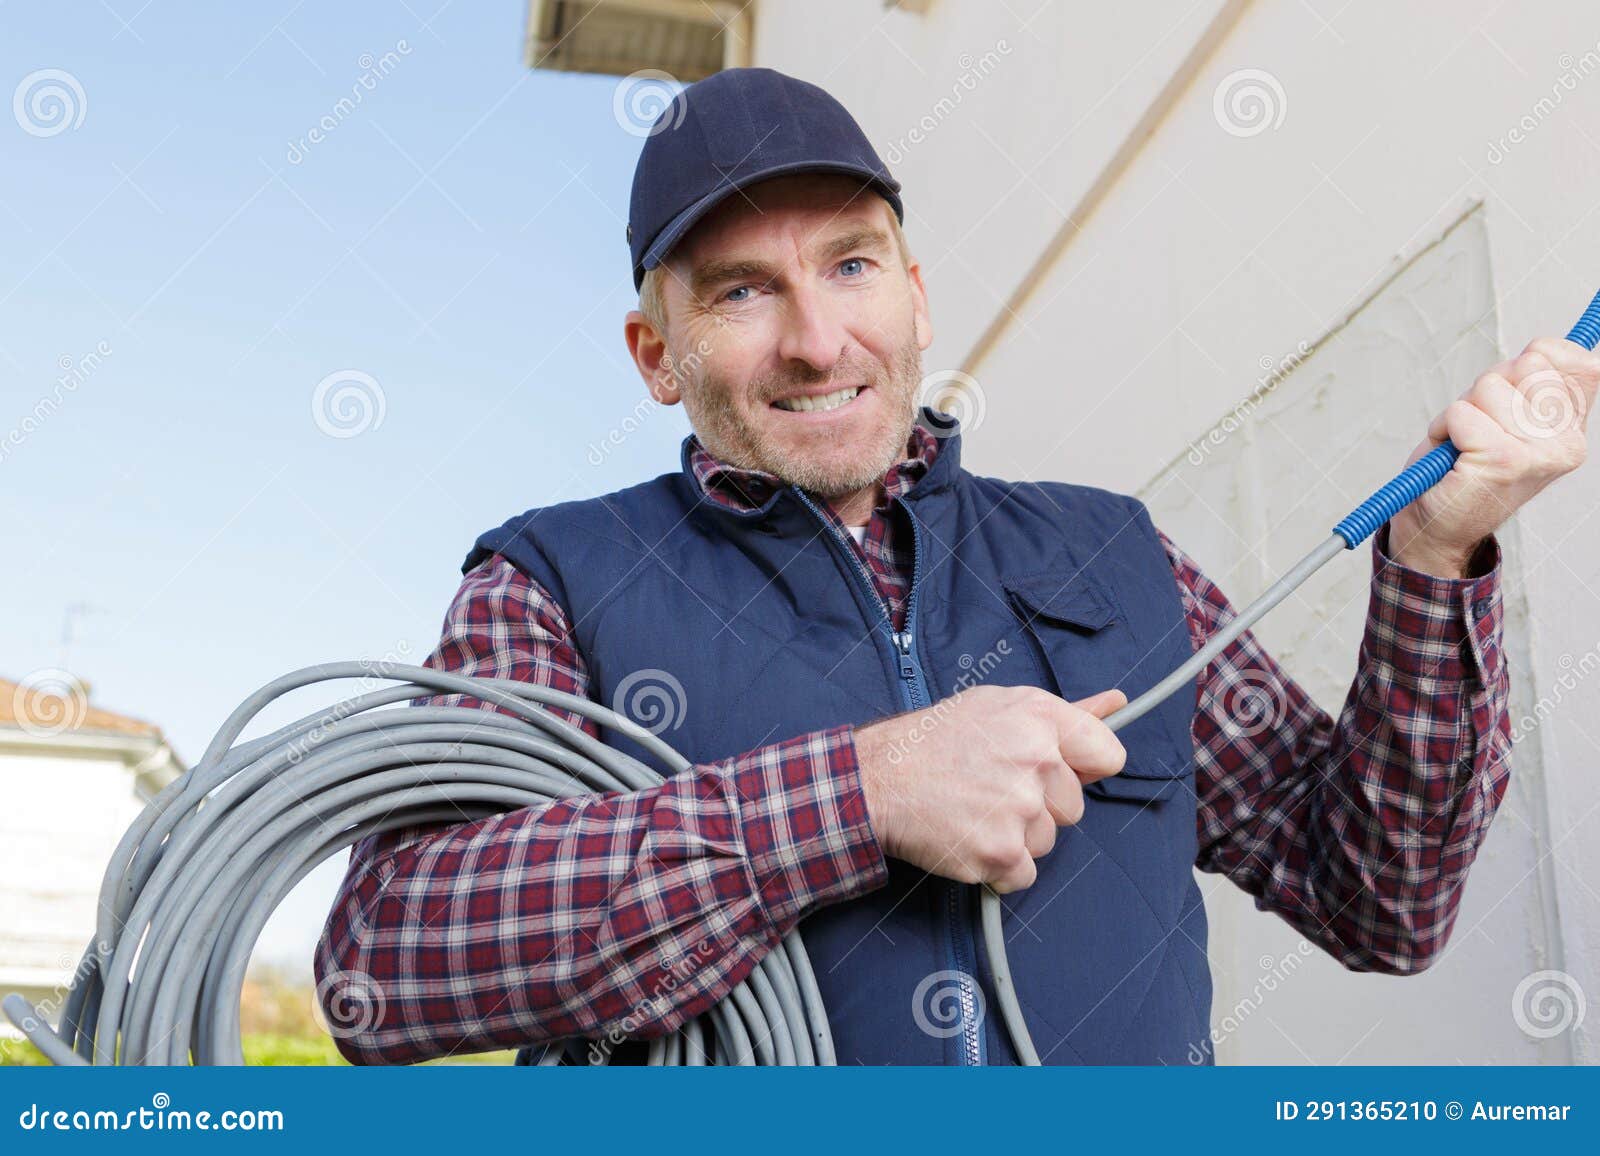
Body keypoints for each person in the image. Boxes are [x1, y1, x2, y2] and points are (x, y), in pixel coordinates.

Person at [314, 68, 1599, 1065]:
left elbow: (1377, 898)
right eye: (743, 293)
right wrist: (858, 794)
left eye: (852, 266)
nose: (819, 341)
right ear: (657, 353)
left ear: (916, 298)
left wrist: (1433, 556)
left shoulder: (1113, 555)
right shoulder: (551, 581)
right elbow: (392, 955)